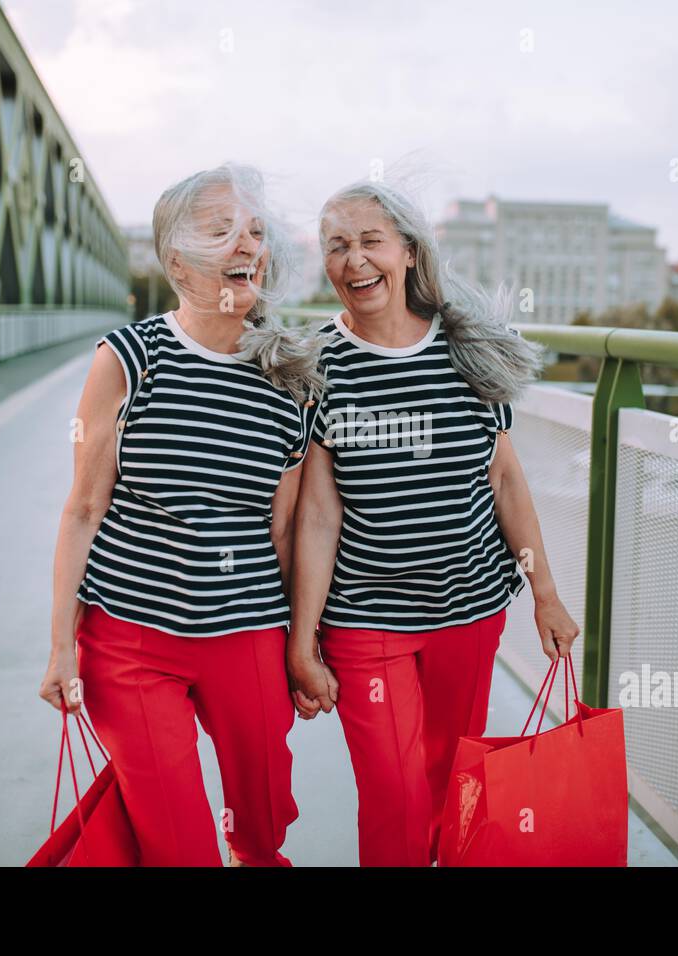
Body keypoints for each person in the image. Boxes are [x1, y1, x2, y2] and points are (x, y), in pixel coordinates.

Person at [287, 178, 581, 866]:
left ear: (410, 252)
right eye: (337, 247)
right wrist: (303, 640)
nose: (354, 261)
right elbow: (318, 514)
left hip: (469, 610)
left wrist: (545, 594)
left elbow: (504, 478)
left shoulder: (470, 349)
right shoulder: (316, 365)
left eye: (370, 242)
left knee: (454, 784)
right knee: (392, 794)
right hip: (366, 618)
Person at [38, 163, 322, 866]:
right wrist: (59, 645)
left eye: (254, 231)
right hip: (133, 639)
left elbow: (284, 530)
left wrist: (298, 645)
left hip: (247, 630)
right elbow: (83, 509)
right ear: (178, 264)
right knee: (179, 845)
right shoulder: (129, 359)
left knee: (261, 828)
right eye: (221, 231)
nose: (245, 247)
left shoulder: (289, 376)